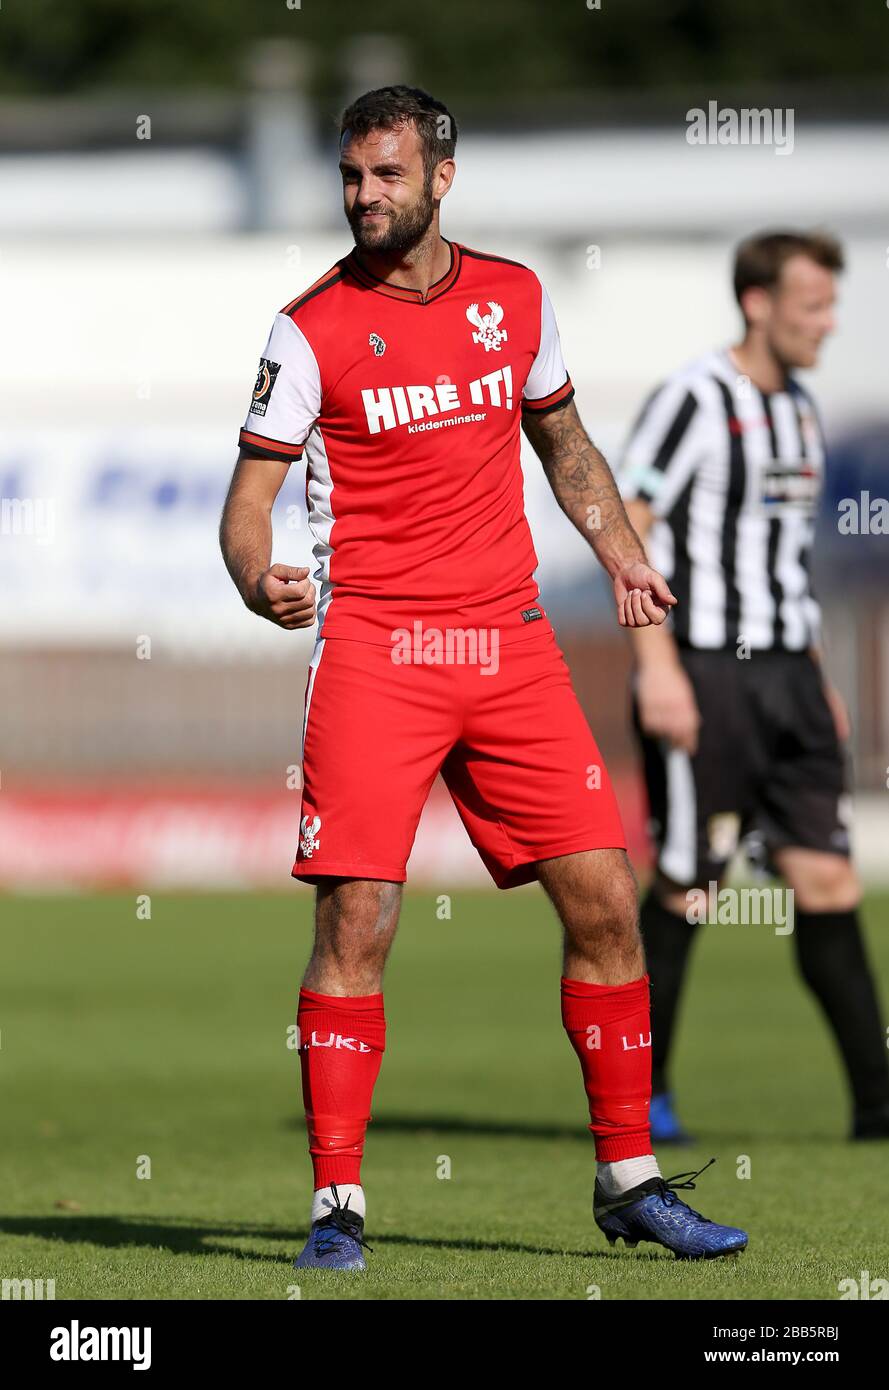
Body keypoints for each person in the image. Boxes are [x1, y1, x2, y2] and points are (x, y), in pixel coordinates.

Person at [220, 85, 748, 1268]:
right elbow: (247, 506)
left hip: (508, 645)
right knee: (358, 916)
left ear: (441, 178)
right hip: (374, 652)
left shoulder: (514, 298)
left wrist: (621, 553)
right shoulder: (305, 330)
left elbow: (564, 444)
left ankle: (628, 1179)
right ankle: (337, 1208)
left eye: (387, 175)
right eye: (352, 176)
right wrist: (264, 580)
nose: (364, 196)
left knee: (608, 900)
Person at [619, 230, 889, 1144]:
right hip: (703, 672)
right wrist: (655, 669)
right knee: (690, 881)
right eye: (812, 304)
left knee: (824, 878)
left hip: (789, 679)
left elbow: (786, 556)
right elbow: (630, 522)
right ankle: (640, 1100)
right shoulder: (693, 399)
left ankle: (875, 1108)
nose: (828, 322)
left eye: (830, 304)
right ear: (757, 303)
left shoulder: (804, 411)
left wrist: (813, 672)